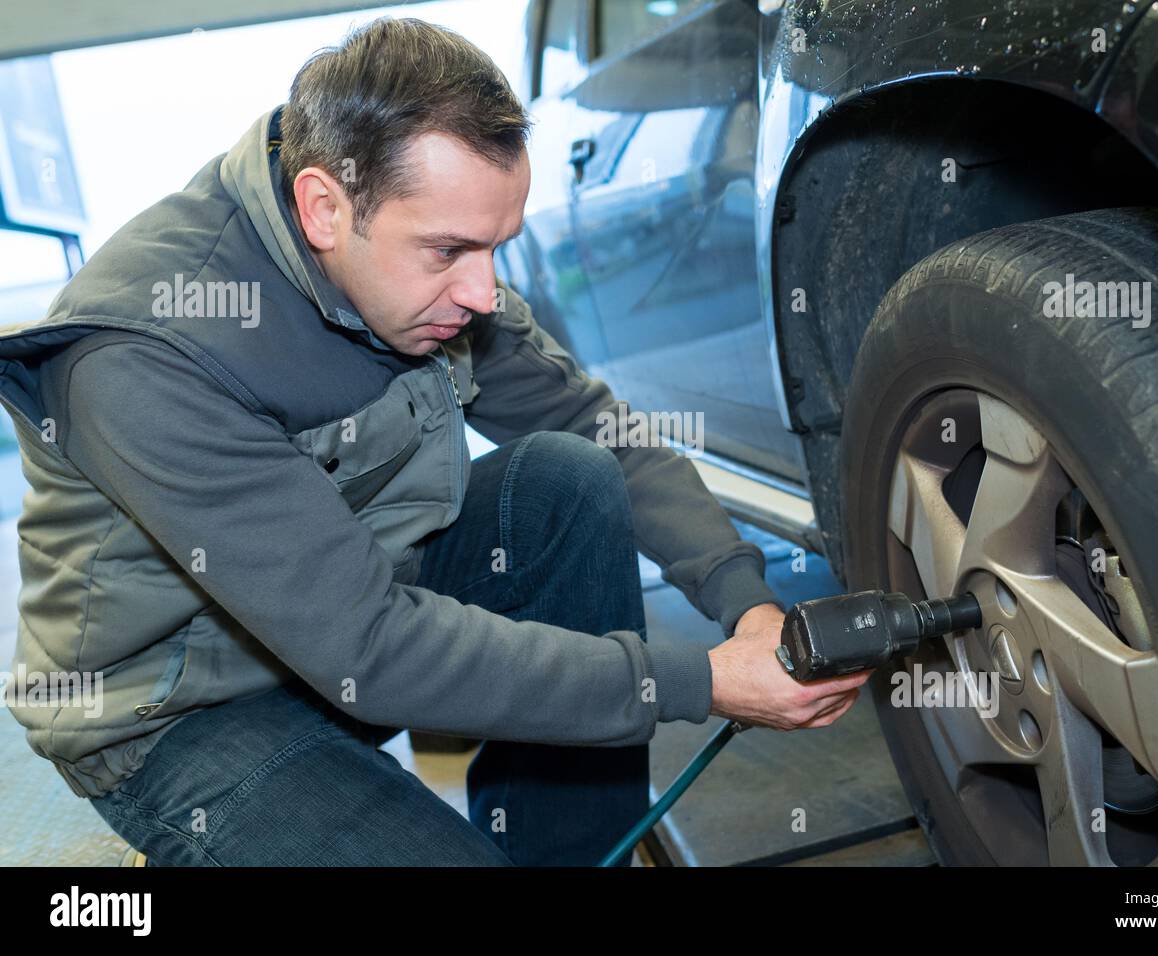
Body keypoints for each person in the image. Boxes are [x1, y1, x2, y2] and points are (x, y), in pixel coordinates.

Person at [0, 17, 866, 866]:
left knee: (566, 480)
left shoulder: (427, 275)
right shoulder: (147, 354)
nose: (484, 293)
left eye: (496, 249)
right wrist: (702, 680)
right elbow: (368, 647)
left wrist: (744, 599)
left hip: (345, 622)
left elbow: (600, 430)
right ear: (323, 207)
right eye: (450, 250)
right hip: (181, 719)